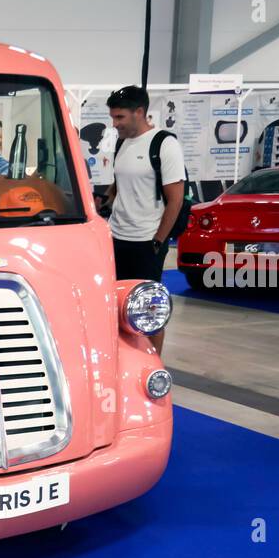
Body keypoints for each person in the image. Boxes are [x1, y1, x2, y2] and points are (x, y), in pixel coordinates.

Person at [104, 84, 185, 355]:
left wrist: (159, 241)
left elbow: (175, 199)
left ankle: (151, 367)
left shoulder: (164, 144)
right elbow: (117, 186)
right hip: (117, 238)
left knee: (147, 312)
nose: (115, 124)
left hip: (146, 241)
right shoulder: (122, 143)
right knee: (117, 308)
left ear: (140, 112)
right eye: (113, 117)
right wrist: (100, 203)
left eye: (120, 117)